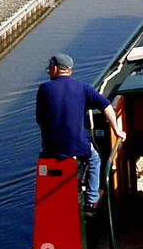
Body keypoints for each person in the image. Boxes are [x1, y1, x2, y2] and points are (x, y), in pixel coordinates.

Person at [35, 53, 126, 216]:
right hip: (77, 146)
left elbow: (40, 122)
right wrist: (117, 130)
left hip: (50, 148)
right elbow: (107, 107)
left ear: (55, 69)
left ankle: (54, 200)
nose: (48, 71)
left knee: (51, 160)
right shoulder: (82, 88)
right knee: (94, 159)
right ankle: (91, 201)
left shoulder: (43, 89)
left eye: (49, 68)